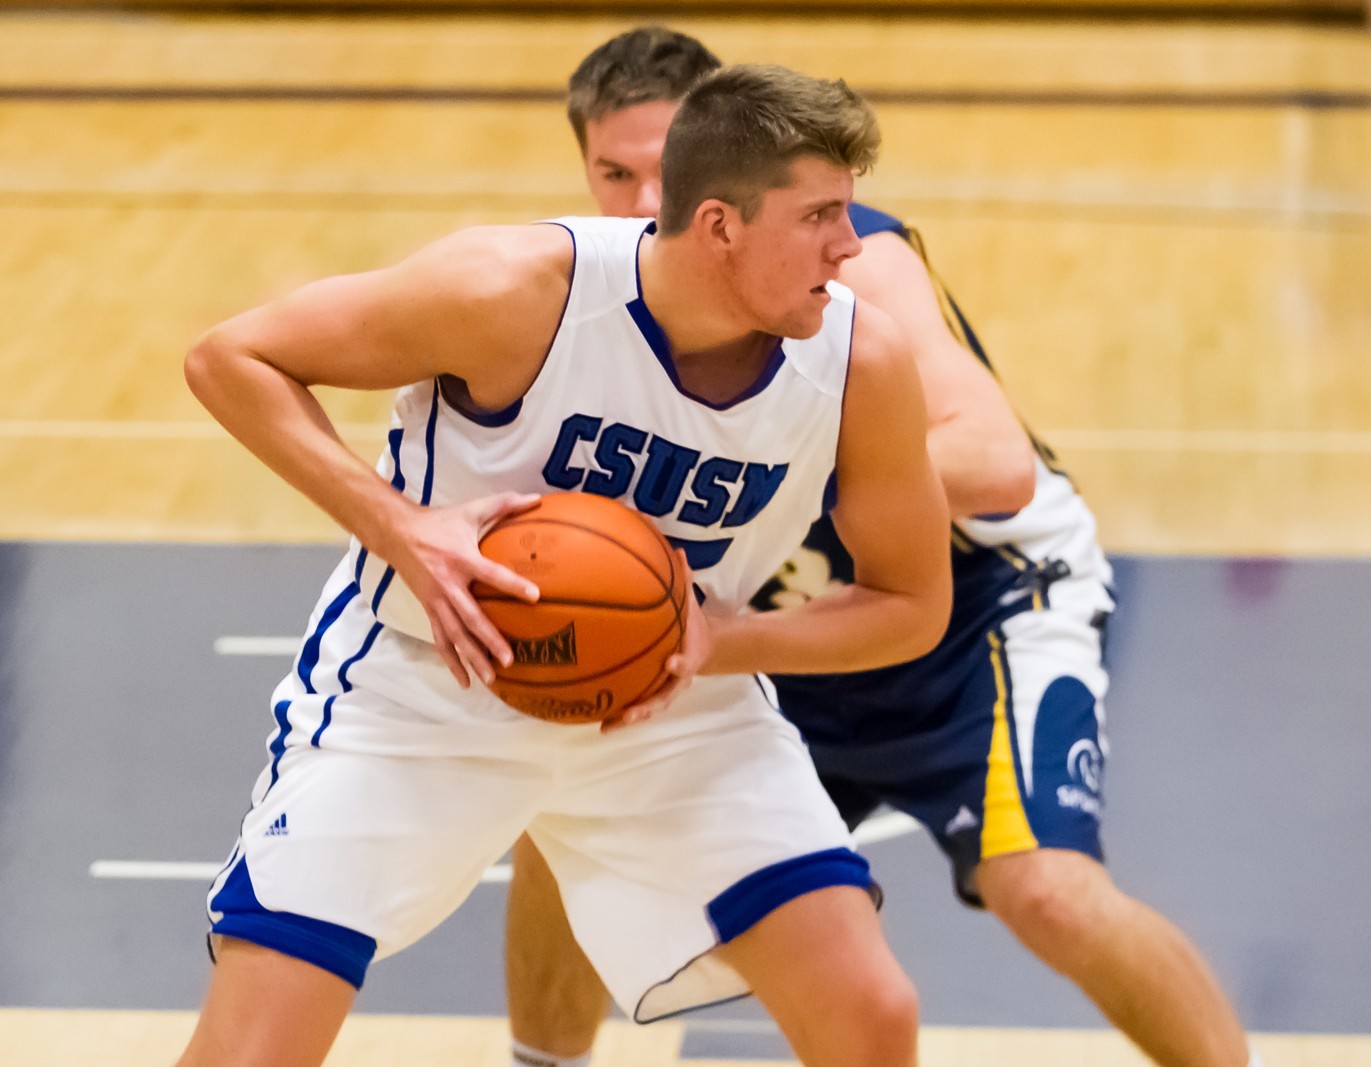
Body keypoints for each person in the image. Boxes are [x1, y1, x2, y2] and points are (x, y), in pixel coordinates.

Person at [503, 27, 1257, 1067]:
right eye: (612, 173)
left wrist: (772, 476)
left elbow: (993, 460)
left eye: (665, 165)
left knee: (1046, 891)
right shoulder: (595, 291)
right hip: (785, 633)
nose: (643, 200)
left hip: (979, 610)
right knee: (564, 806)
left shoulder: (850, 255)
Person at [175, 62, 954, 1067]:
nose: (851, 245)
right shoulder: (512, 290)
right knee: (255, 1049)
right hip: (429, 690)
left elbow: (910, 603)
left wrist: (715, 641)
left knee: (871, 1013)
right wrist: (403, 526)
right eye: (820, 217)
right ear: (719, 224)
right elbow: (231, 358)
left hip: (672, 705)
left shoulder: (860, 361)